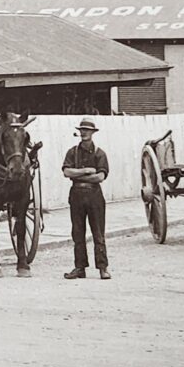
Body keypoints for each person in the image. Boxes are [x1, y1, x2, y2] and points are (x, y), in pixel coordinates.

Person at [63, 117, 110, 280]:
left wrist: (79, 175)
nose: (84, 133)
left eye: (87, 130)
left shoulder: (100, 153)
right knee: (77, 233)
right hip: (76, 195)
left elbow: (100, 177)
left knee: (98, 233)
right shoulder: (72, 152)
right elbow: (66, 172)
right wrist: (86, 171)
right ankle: (80, 267)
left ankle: (102, 268)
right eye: (82, 130)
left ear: (93, 133)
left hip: (94, 196)